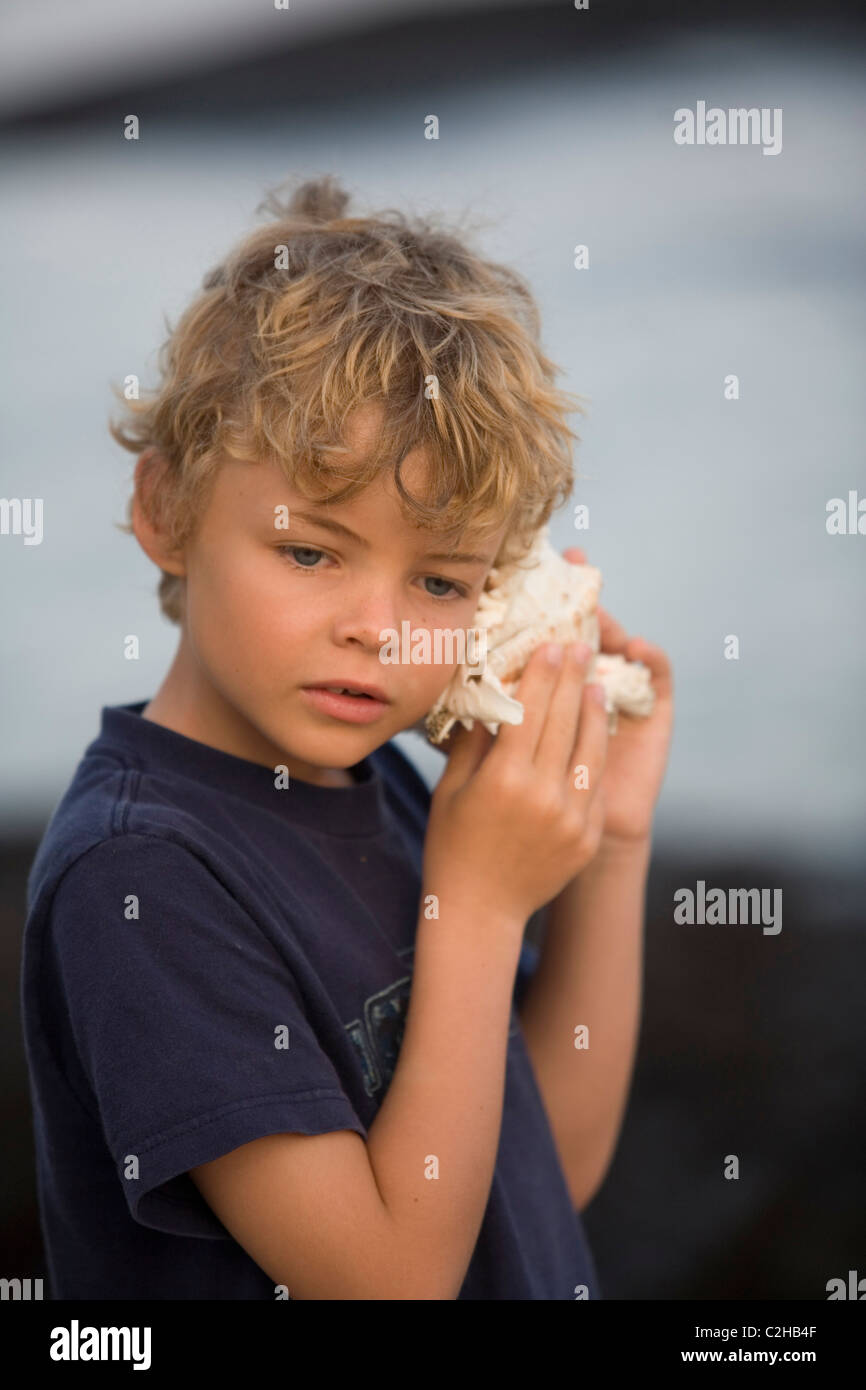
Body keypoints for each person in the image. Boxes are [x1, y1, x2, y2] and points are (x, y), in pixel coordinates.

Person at [21, 174, 673, 1300]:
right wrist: (472, 903)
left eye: (438, 578)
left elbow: (542, 1170)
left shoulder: (383, 783)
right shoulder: (140, 875)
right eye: (311, 552)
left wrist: (609, 845)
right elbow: (388, 1279)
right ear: (166, 512)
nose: (376, 628)